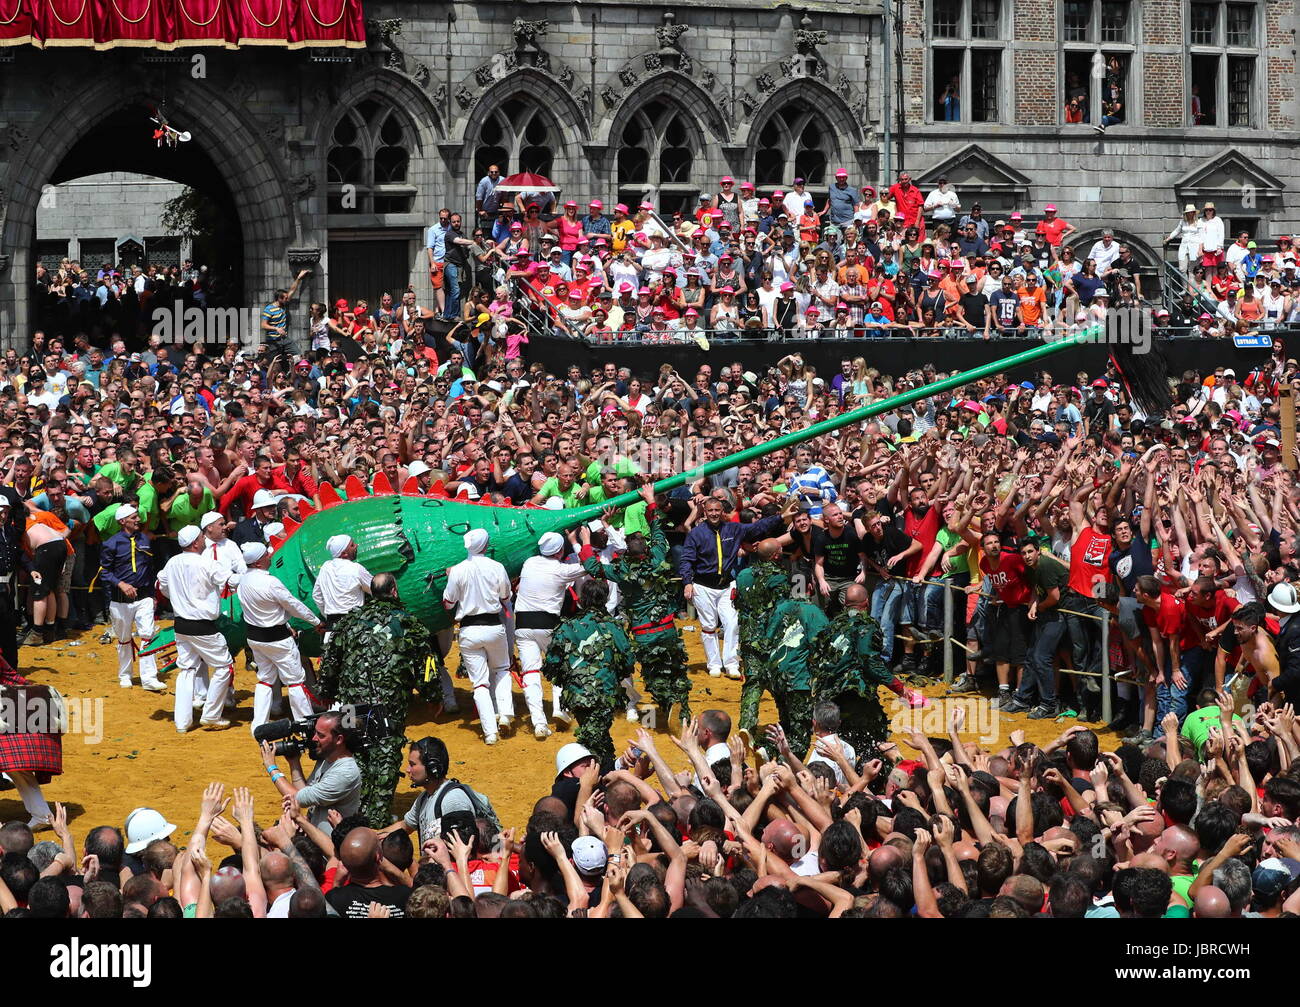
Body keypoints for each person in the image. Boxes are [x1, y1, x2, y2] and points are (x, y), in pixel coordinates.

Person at [319, 572, 433, 827]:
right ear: (394, 591)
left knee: (356, 756)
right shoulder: (407, 622)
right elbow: (427, 662)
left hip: (352, 706)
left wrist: (326, 690)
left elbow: (330, 659)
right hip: (387, 707)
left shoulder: (348, 622)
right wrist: (432, 695)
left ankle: (353, 816)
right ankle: (375, 826)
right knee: (384, 763)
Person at [582, 488, 691, 725]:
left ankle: (666, 703)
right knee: (675, 669)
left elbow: (592, 567)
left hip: (644, 633)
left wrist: (583, 541)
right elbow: (659, 530)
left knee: (652, 675)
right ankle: (682, 710)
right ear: (646, 546)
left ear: (627, 552)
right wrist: (651, 501)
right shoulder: (657, 557)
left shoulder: (621, 570)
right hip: (667, 628)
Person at [680, 496, 796, 679]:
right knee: (709, 626)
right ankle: (714, 664)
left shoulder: (733, 528)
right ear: (705, 512)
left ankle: (731, 663)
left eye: (717, 510)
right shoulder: (696, 533)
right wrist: (687, 582)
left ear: (723, 512)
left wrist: (781, 518)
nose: (714, 514)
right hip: (703, 585)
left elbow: (758, 527)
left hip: (727, 584)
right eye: (710, 511)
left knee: (732, 623)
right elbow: (687, 559)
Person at [810, 583, 925, 757]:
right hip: (855, 692)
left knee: (840, 735)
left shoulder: (832, 625)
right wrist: (900, 688)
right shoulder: (867, 625)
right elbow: (870, 662)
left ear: (844, 603)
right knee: (875, 735)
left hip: (829, 693)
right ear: (867, 602)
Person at [540, 579, 633, 764]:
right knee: (596, 739)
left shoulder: (567, 626)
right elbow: (628, 662)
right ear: (605, 599)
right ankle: (604, 773)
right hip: (606, 693)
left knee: (594, 737)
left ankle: (602, 772)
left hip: (577, 694)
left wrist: (568, 679)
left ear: (582, 600)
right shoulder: (614, 627)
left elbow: (551, 665)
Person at [158, 525, 237, 733]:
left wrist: (179, 597)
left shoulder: (172, 562)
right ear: (195, 542)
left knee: (187, 669)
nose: (204, 539)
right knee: (224, 667)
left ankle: (182, 722)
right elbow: (230, 580)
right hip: (203, 625)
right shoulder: (206, 563)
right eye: (202, 537)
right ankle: (211, 715)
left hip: (181, 624)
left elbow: (163, 585)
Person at [237, 541, 321, 733]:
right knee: (295, 681)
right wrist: (316, 622)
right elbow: (293, 605)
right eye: (266, 555)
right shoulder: (270, 582)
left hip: (255, 638)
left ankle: (258, 724)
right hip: (277, 639)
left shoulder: (243, 581)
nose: (270, 556)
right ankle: (305, 723)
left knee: (265, 680)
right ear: (258, 562)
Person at [442, 529, 513, 744]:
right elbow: (506, 596)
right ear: (486, 545)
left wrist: (451, 577)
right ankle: (506, 713)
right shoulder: (497, 567)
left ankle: (490, 732)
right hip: (493, 626)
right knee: (501, 670)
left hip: (469, 630)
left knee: (480, 684)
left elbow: (448, 603)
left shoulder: (458, 570)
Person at [514, 531, 587, 739]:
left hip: (523, 624)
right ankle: (559, 708)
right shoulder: (562, 569)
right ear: (560, 551)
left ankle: (538, 723)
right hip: (548, 623)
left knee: (530, 673)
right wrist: (579, 543)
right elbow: (589, 563)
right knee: (559, 666)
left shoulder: (528, 562)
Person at [258, 709, 361, 836]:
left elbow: (297, 799)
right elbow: (304, 793)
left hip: (331, 849)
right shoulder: (326, 759)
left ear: (339, 739)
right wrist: (294, 762)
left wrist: (272, 768)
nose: (314, 738)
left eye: (321, 735)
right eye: (315, 732)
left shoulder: (345, 773)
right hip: (317, 842)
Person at [97, 503, 163, 692]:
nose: (138, 520)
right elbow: (104, 572)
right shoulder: (111, 543)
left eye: (137, 516)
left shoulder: (144, 539)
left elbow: (150, 568)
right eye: (134, 517)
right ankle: (125, 675)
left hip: (144, 597)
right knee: (124, 638)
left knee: (147, 634)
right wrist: (122, 584)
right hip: (120, 600)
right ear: (122, 521)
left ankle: (149, 677)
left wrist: (152, 595)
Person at [312, 534, 372, 642]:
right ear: (344, 553)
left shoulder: (325, 567)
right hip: (355, 628)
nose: (356, 546)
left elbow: (316, 595)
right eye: (352, 545)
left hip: (332, 630)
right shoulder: (355, 568)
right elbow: (375, 588)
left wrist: (327, 615)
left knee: (333, 658)